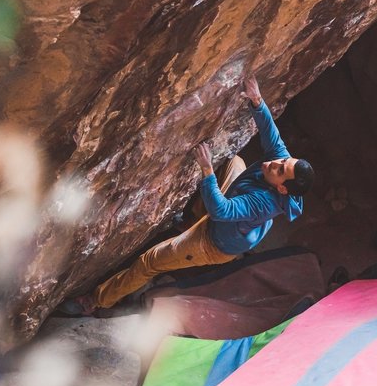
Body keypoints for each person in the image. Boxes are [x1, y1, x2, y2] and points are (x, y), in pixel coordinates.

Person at [60, 76, 314, 315]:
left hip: (214, 241)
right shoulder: (281, 164)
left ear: (281, 188)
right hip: (233, 218)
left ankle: (95, 301)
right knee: (235, 161)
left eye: (280, 169)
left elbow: (222, 211)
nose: (275, 163)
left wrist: (207, 170)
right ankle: (189, 220)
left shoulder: (263, 203)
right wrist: (257, 101)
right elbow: (272, 137)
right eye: (282, 160)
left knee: (150, 261)